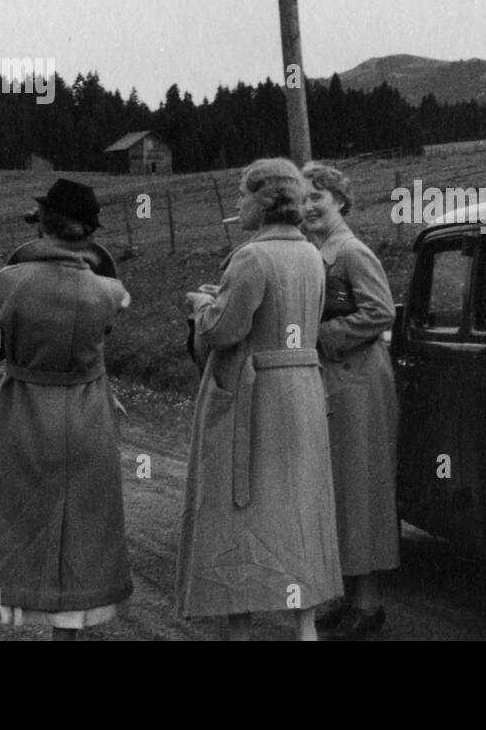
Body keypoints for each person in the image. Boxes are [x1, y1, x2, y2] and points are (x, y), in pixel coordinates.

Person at [175, 158, 342, 641]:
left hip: (257, 398)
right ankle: (305, 626)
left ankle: (240, 626)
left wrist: (202, 306)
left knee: (239, 514)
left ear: (264, 200)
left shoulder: (251, 257)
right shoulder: (311, 253)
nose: (237, 203)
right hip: (303, 394)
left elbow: (225, 331)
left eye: (242, 194)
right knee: (297, 509)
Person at [0, 178, 133, 641]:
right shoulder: (108, 290)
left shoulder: (9, 282)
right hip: (88, 415)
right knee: (79, 531)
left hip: (23, 413)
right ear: (88, 233)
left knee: (5, 528)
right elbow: (104, 336)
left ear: (42, 226)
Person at [301, 162, 400, 639]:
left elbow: (381, 312)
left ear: (339, 200)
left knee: (363, 488)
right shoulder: (317, 252)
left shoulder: (352, 252)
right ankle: (347, 597)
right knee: (339, 489)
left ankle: (369, 603)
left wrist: (320, 336)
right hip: (333, 379)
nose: (309, 207)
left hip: (360, 380)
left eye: (317, 197)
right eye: (301, 199)